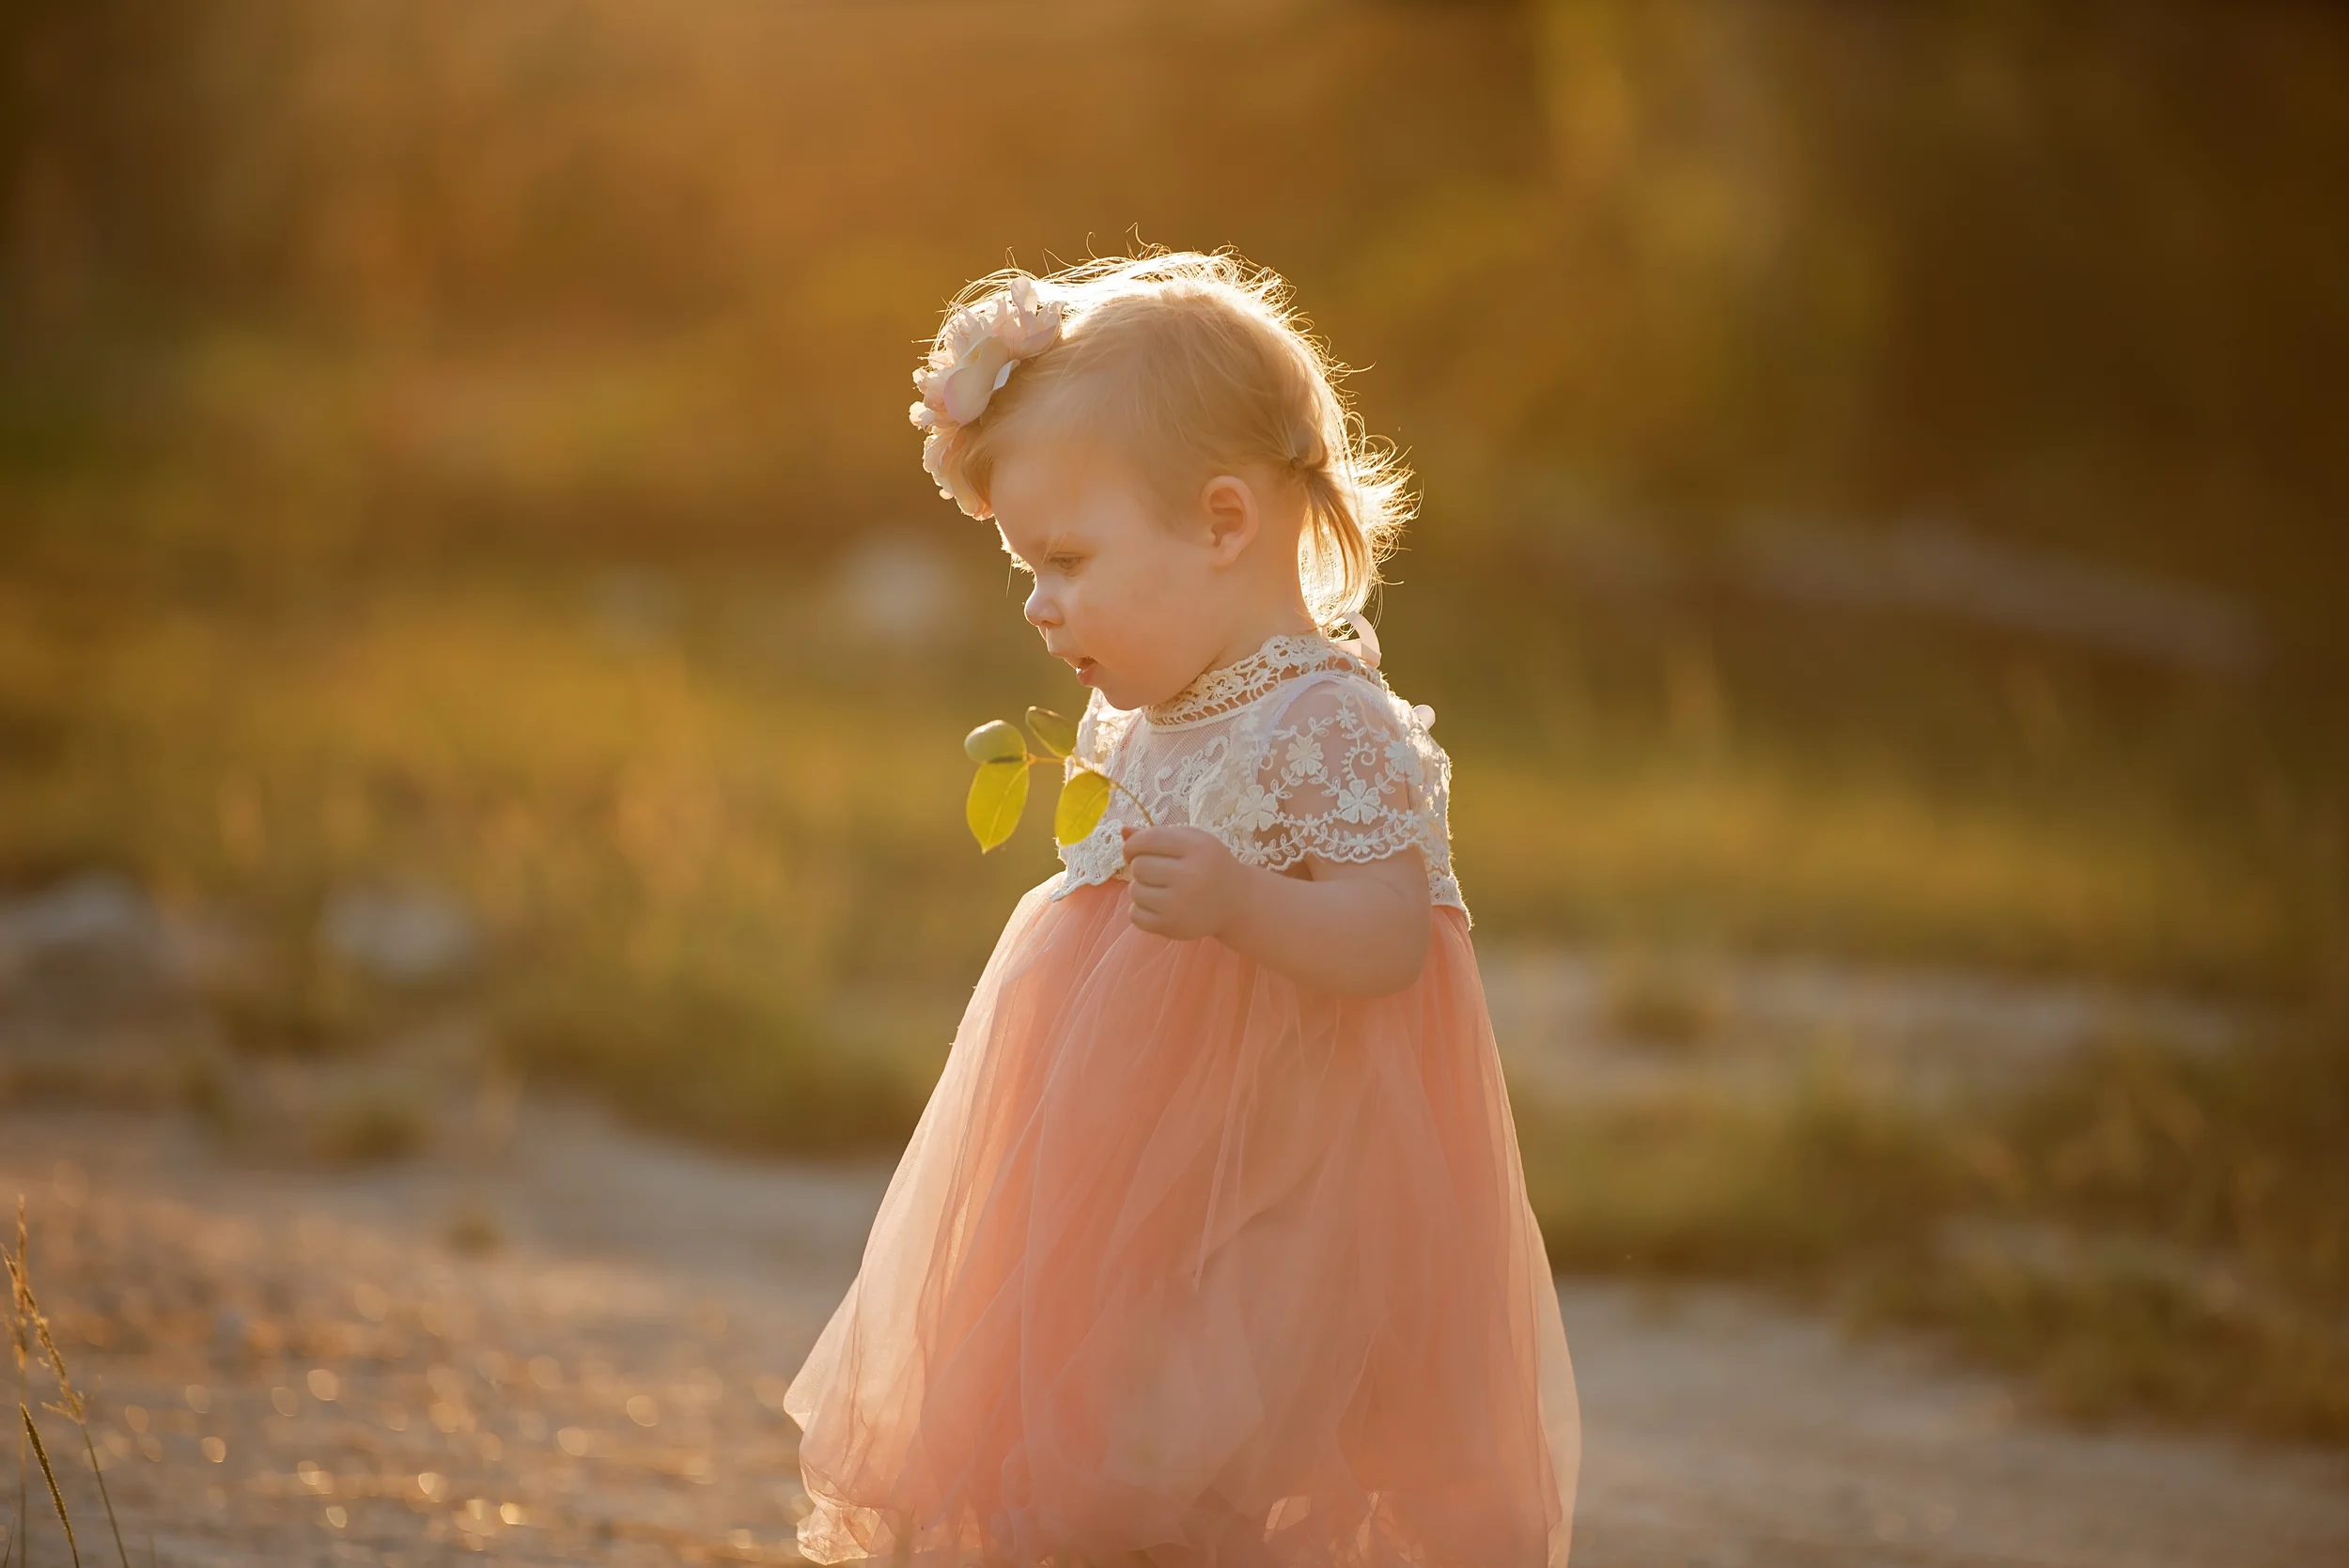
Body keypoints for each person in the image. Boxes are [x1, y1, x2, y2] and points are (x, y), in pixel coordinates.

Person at [784, 250, 1579, 1567]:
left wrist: (1242, 903)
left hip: (1289, 1178)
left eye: (1068, 560)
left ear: (1222, 525)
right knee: (1092, 1436)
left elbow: (1392, 940)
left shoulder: (1333, 724)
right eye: (1022, 571)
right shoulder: (1132, 716)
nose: (1040, 605)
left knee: (1200, 1457)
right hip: (1125, 1173)